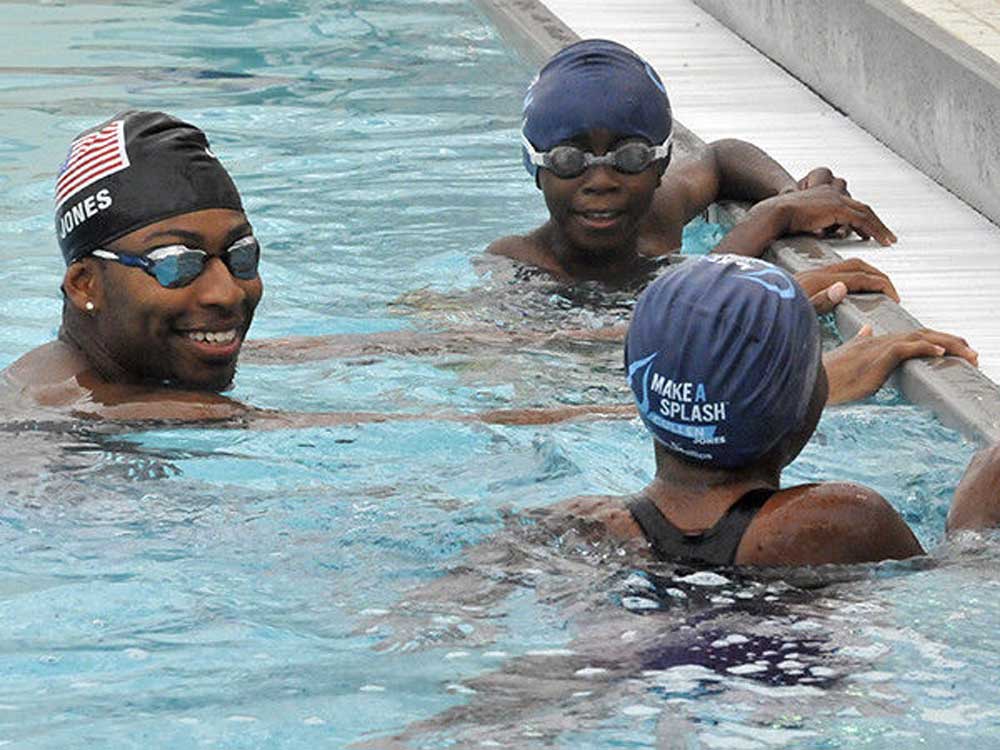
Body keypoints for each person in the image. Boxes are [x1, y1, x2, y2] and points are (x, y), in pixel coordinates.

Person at [559, 254, 977, 566]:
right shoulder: (842, 523)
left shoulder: (579, 527)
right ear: (802, 409)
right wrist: (977, 521)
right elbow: (958, 587)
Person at [489, 38, 899, 303]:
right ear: (536, 167)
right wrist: (772, 218)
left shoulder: (653, 216)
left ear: (661, 163)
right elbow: (655, 330)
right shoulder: (518, 270)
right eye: (568, 160)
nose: (600, 181)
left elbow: (720, 158)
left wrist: (793, 195)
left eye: (630, 157)